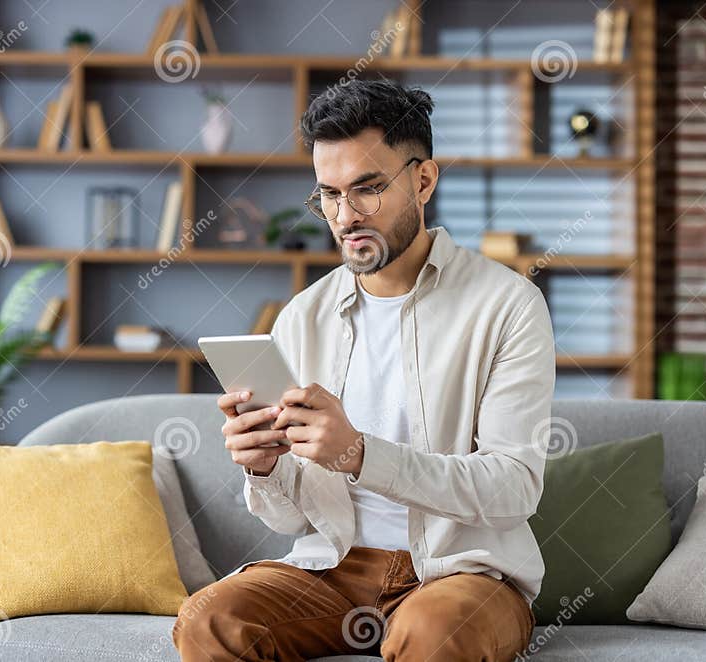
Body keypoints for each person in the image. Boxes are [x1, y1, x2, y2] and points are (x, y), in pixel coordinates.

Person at [172, 78, 555, 661]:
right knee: (208, 619)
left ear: (423, 180)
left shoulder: (508, 306)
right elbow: (283, 518)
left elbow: (514, 489)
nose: (345, 217)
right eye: (328, 194)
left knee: (431, 636)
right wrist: (265, 468)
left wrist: (358, 455)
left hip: (461, 575)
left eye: (368, 189)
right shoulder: (302, 318)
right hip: (332, 568)